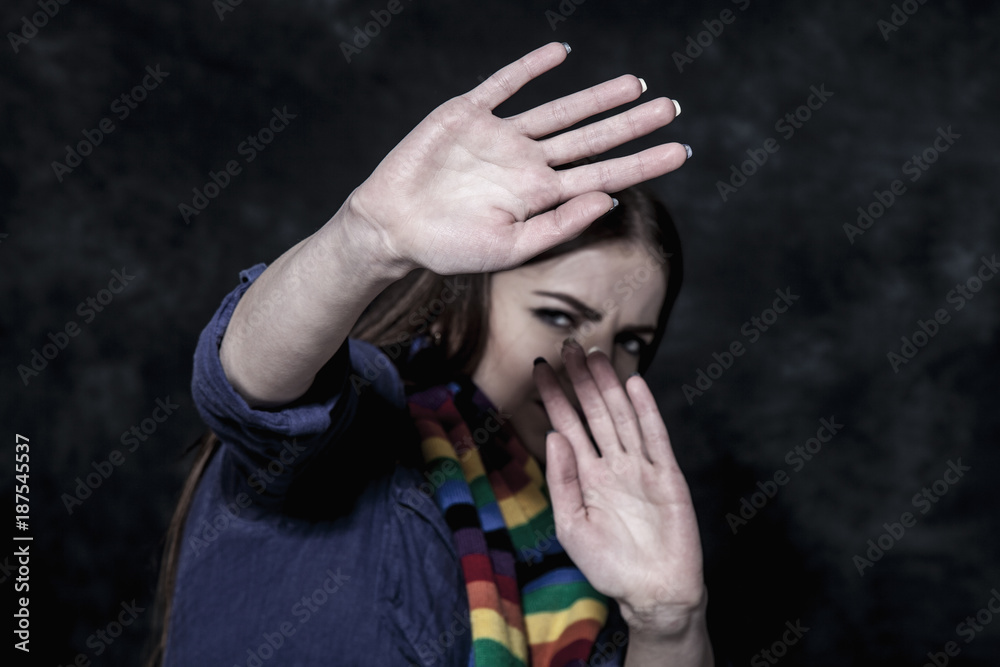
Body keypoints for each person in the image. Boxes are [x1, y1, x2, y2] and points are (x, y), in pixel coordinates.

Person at [149, 42, 712, 666]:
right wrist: (366, 239)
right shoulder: (364, 418)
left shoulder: (592, 539)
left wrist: (668, 622)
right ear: (454, 305)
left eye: (632, 341)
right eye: (557, 315)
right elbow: (246, 385)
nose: (594, 360)